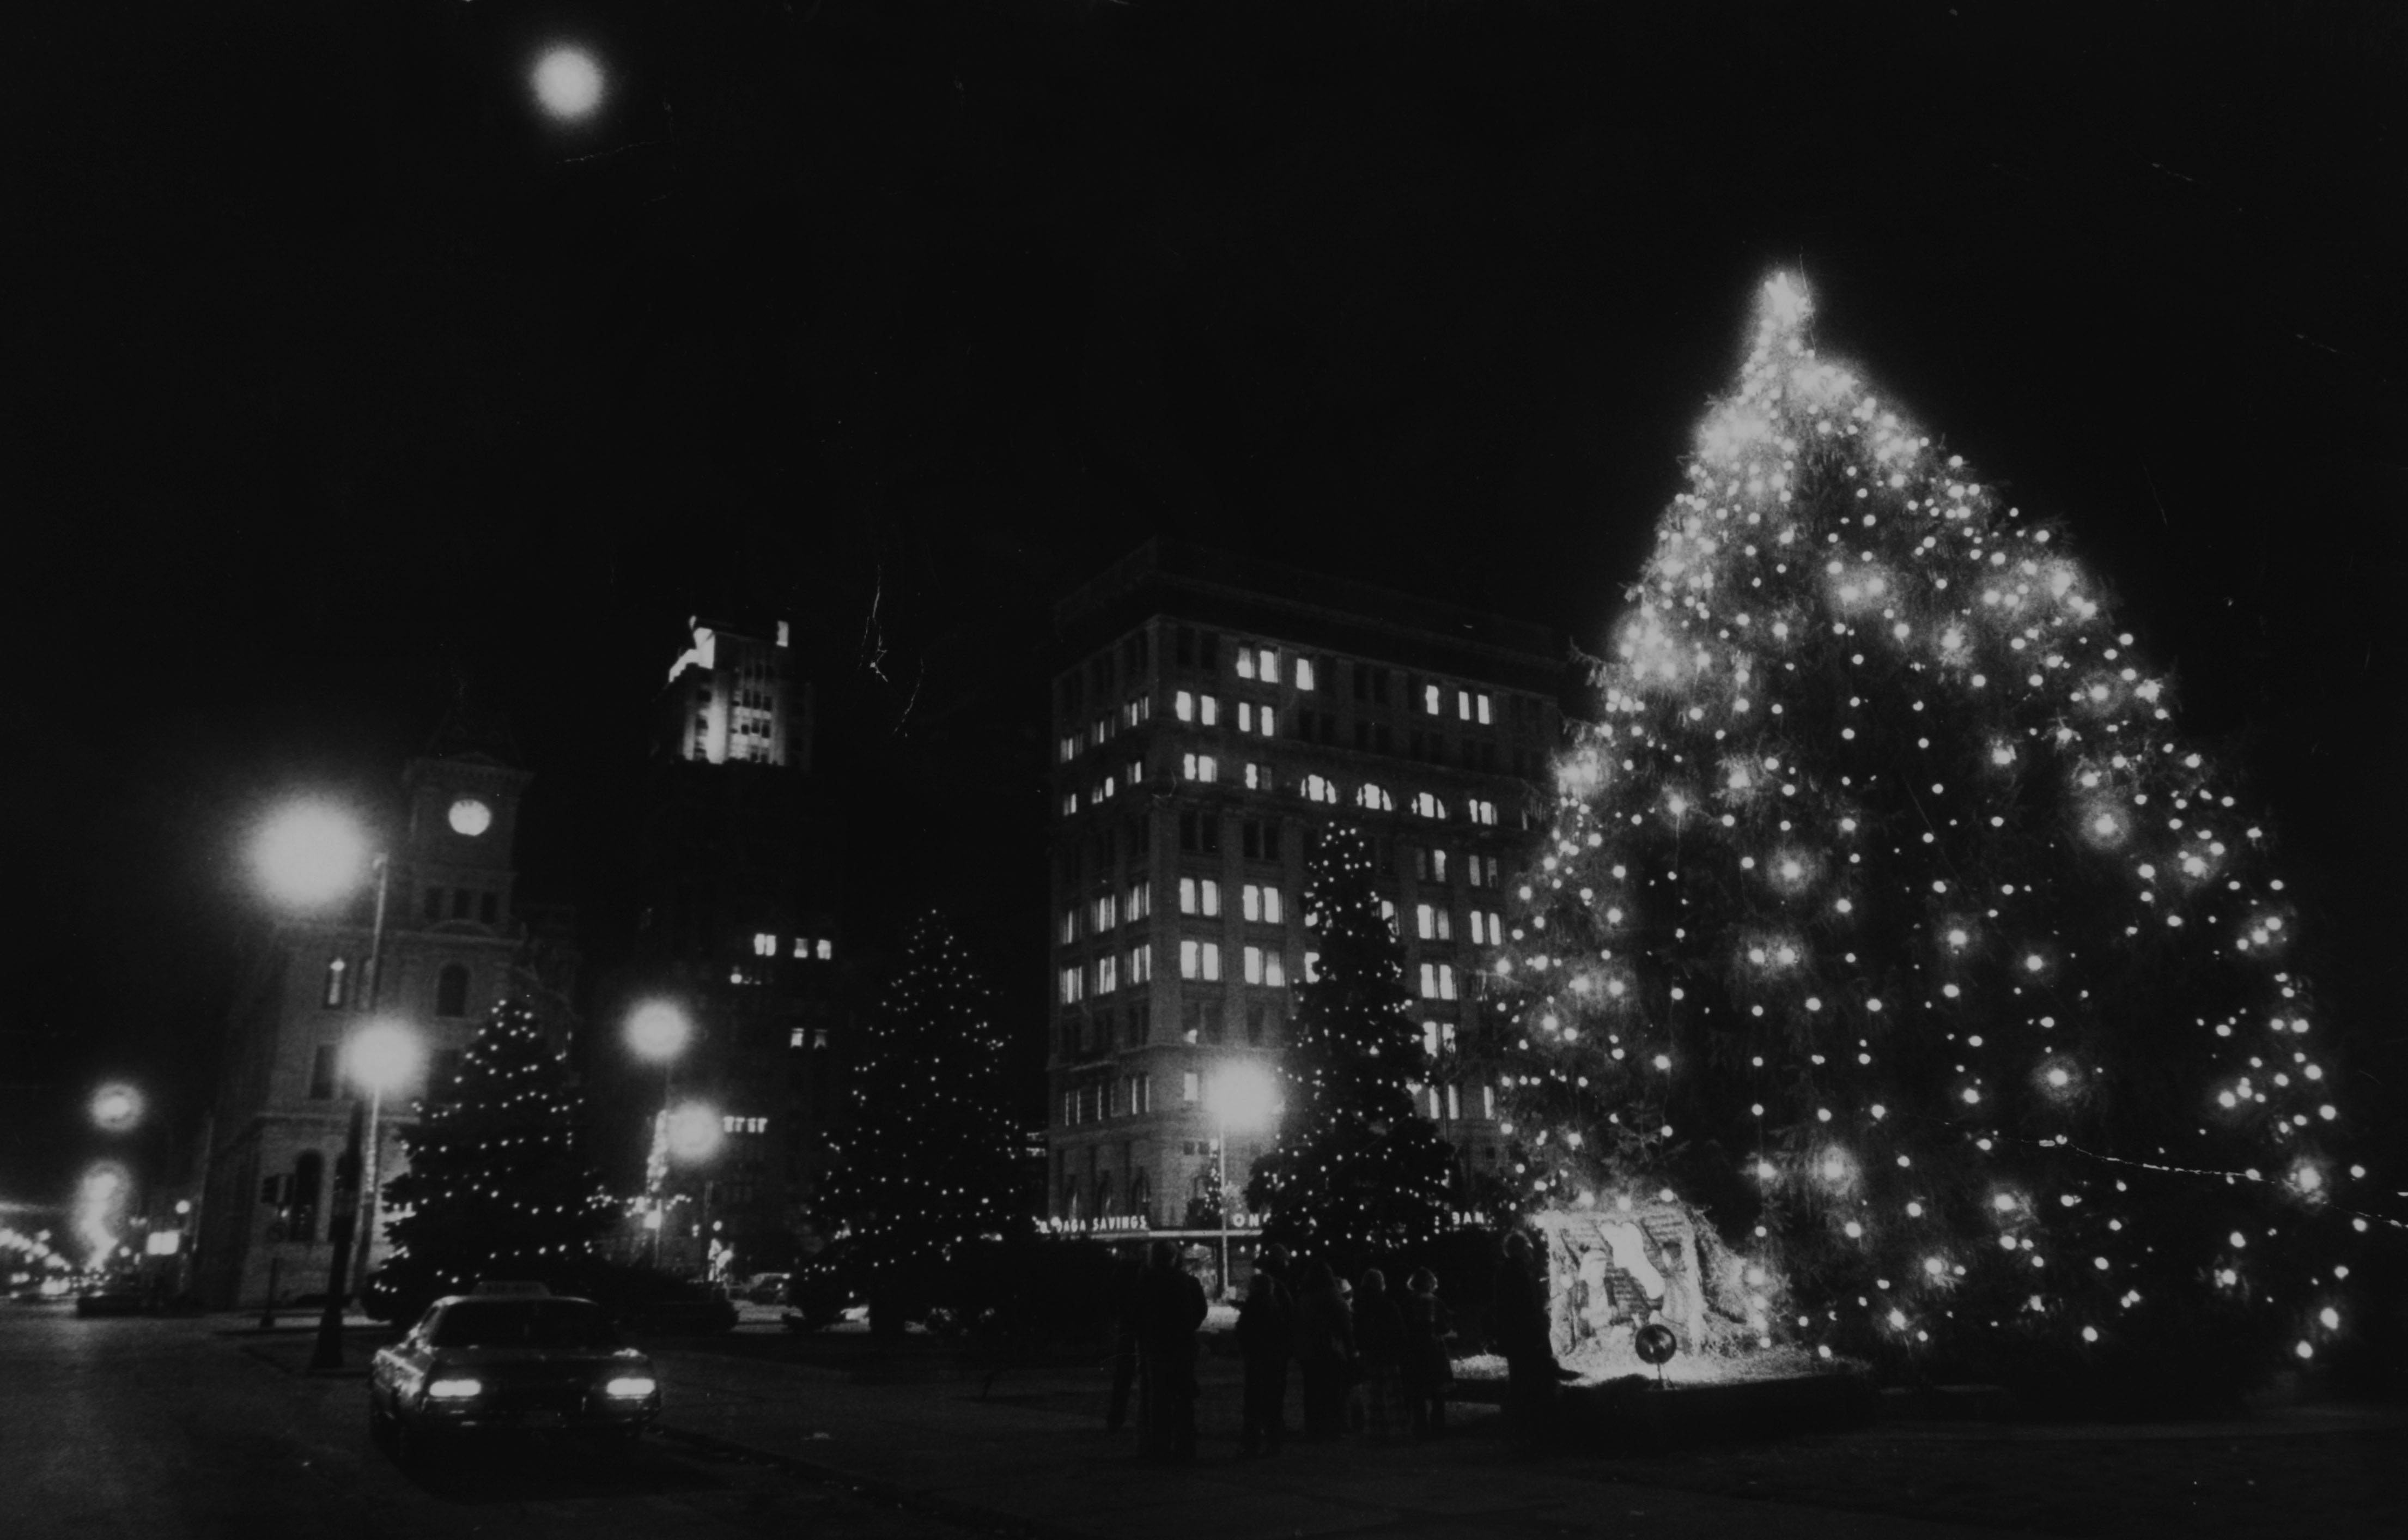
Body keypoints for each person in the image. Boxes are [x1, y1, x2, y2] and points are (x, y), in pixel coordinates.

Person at [1136, 1240, 1208, 1460]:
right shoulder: (1188, 1282)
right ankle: (1185, 1446)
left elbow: (1137, 1314)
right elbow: (1200, 1311)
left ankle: (1159, 1446)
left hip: (1157, 1346)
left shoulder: (1146, 1282)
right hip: (1183, 1345)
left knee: (1159, 1398)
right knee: (1184, 1397)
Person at [1492, 1230, 1556, 1439]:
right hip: (1525, 1337)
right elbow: (1527, 1307)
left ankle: (1520, 1428)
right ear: (1522, 1249)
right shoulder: (1519, 1273)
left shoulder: (1502, 1272)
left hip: (1512, 1337)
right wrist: (1539, 1335)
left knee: (1518, 1379)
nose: (1531, 1252)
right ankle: (1528, 1430)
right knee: (1527, 1382)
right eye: (1528, 1248)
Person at [1235, 1244, 1295, 1456]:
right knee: (1274, 1402)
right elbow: (1288, 1327)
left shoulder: (1252, 1306)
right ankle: (1274, 1441)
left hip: (1256, 1360)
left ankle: (1251, 1442)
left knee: (1253, 1402)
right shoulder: (1280, 1301)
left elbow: (1241, 1332)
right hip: (1276, 1359)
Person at [1292, 1260, 1354, 1442]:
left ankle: (1314, 1427)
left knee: (1312, 1391)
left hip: (1309, 1352)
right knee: (1331, 1391)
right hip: (1329, 1350)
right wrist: (1350, 1350)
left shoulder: (1304, 1297)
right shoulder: (1333, 1297)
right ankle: (1331, 1428)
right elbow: (1345, 1326)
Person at [1353, 1269, 1407, 1445]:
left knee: (1375, 1395)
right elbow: (1399, 1331)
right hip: (1388, 1354)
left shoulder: (1362, 1307)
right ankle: (1396, 1430)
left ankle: (1376, 1431)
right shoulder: (1388, 1305)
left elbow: (1358, 1333)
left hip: (1371, 1355)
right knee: (1392, 1395)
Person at [1399, 1266, 1452, 1439]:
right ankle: (1438, 1427)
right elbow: (1445, 1327)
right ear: (1431, 1283)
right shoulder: (1436, 1303)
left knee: (1417, 1392)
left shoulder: (1407, 1303)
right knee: (1438, 1392)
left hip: (1413, 1351)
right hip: (1434, 1351)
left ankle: (1420, 1428)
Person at [1104, 1251, 1143, 1435]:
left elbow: (1111, 1305)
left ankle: (1116, 1417)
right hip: (1145, 1330)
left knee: (1123, 1377)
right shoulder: (1145, 1277)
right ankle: (1146, 1418)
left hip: (1127, 1329)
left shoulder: (1119, 1279)